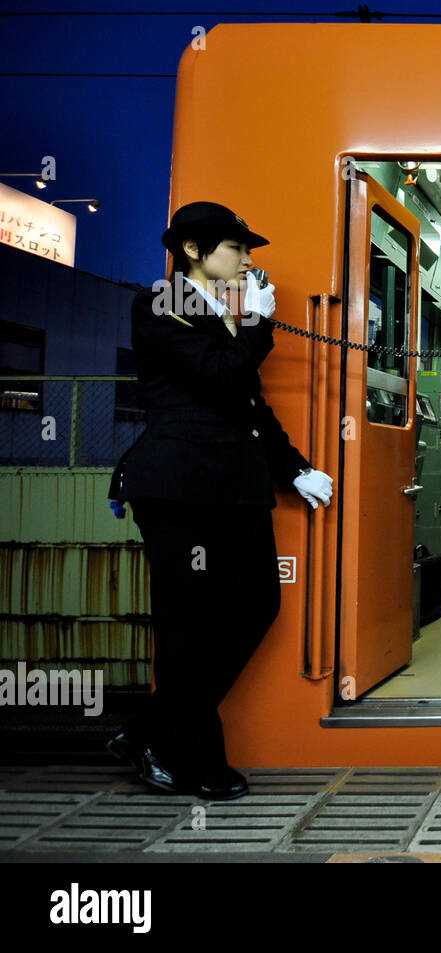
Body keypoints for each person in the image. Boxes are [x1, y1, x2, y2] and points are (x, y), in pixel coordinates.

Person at [105, 201, 334, 800]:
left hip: (231, 491)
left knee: (258, 605)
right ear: (192, 251)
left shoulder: (218, 313)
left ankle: (150, 730)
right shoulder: (161, 303)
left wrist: (295, 468)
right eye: (236, 248)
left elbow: (248, 406)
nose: (248, 260)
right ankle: (196, 761)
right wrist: (257, 325)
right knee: (190, 628)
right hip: (182, 491)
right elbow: (222, 378)